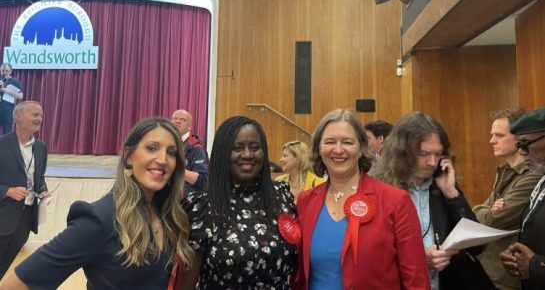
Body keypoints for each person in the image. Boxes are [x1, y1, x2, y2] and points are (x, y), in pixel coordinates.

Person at [0, 117, 194, 289]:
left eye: (171, 153)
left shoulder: (170, 215)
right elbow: (15, 285)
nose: (162, 159)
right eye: (151, 148)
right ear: (128, 157)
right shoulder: (100, 218)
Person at [295, 109, 430, 289]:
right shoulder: (305, 201)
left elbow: (417, 280)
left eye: (347, 142)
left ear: (361, 148)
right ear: (319, 149)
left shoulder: (396, 202)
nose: (338, 149)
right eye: (329, 142)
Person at [370, 111, 494, 290]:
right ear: (402, 152)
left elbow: (477, 248)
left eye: (438, 154)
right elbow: (371, 255)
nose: (432, 162)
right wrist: (418, 259)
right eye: (424, 154)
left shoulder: (441, 186)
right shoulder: (378, 188)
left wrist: (451, 193)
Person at [179, 116, 298, 289]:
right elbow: (186, 283)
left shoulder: (281, 197)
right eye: (237, 148)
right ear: (222, 153)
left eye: (255, 147)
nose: (248, 154)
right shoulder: (202, 207)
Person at [473, 108, 543, 290]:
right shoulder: (506, 171)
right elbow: (478, 214)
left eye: (499, 135)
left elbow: (495, 219)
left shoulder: (534, 173)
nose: (491, 141)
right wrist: (487, 210)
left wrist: (488, 211)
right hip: (498, 269)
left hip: (515, 278)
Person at [0, 101, 48, 279]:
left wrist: (43, 190)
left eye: (41, 115)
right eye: (34, 114)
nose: (39, 118)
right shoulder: (2, 145)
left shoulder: (41, 147)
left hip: (25, 220)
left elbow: (39, 177)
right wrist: (7, 191)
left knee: (11, 268)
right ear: (18, 117)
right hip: (3, 217)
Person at [500, 107, 545, 290]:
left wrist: (535, 266)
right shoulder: (541, 180)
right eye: (519, 146)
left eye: (526, 144)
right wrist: (516, 257)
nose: (523, 153)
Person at [171, 109, 209, 195]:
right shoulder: (165, 144)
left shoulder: (196, 148)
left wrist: (176, 169)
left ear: (189, 126)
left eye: (183, 120)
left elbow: (203, 181)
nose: (178, 121)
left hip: (187, 202)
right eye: (175, 119)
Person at [0, 63, 24, 135]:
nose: (4, 73)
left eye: (6, 71)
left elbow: (20, 96)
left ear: (10, 71)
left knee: (7, 131)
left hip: (7, 110)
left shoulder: (15, 82)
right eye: (2, 71)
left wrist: (8, 92)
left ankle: (5, 146)